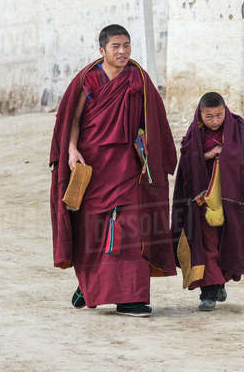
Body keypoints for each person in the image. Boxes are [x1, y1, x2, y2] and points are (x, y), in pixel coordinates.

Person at [49, 24, 178, 317]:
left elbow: (154, 120)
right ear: (102, 50)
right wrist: (71, 150)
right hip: (92, 166)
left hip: (126, 166)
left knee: (131, 228)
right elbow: (73, 118)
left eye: (126, 46)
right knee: (92, 230)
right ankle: (89, 285)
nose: (122, 52)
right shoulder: (88, 79)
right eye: (116, 46)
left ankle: (130, 299)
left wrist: (151, 154)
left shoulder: (138, 79)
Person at [171, 92, 244, 311]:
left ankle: (219, 281)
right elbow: (186, 161)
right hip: (203, 199)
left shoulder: (240, 129)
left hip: (231, 198)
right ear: (200, 115)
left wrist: (227, 154)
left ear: (225, 111)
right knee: (206, 243)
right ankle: (209, 291)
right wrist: (208, 155)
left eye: (219, 115)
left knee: (227, 242)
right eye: (209, 116)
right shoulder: (195, 132)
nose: (214, 121)